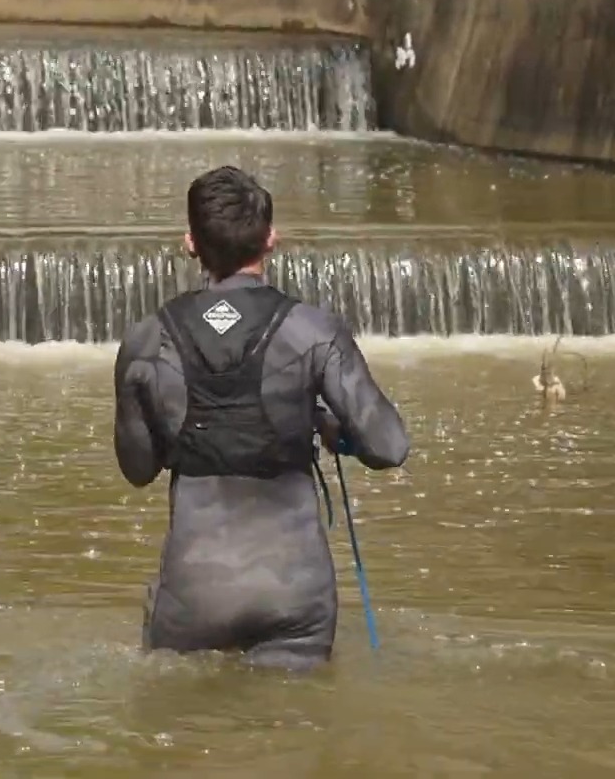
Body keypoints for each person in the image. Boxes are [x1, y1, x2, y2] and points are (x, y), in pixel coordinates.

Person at [112, 164, 409, 670]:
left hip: (195, 593)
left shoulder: (147, 341)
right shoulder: (313, 331)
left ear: (190, 244)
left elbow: (138, 468)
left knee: (183, 731)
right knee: (293, 735)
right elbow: (388, 445)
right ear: (271, 240)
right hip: (296, 596)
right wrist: (326, 426)